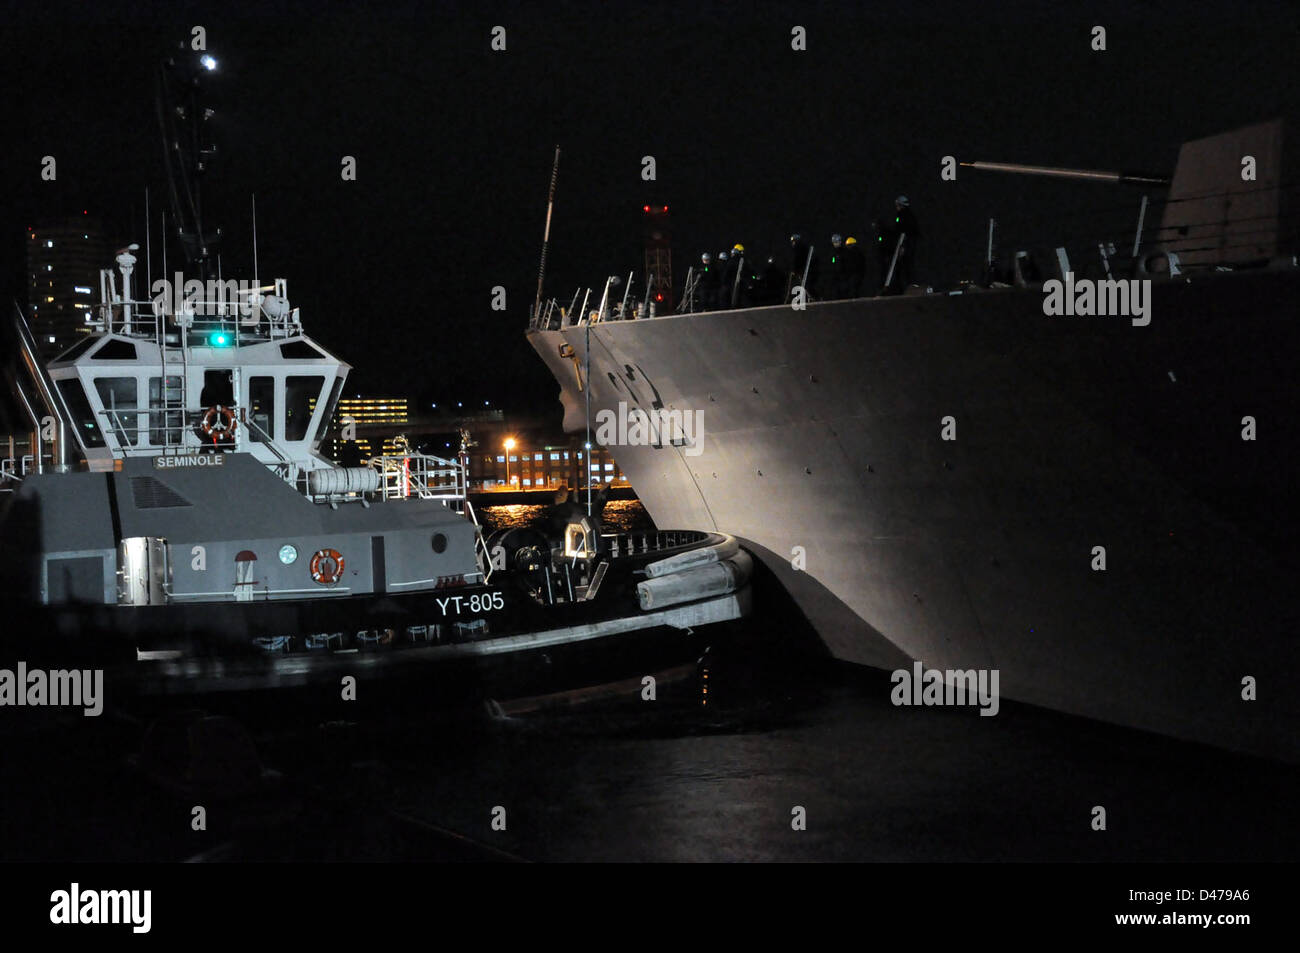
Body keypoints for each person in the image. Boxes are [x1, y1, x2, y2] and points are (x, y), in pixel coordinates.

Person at [881, 195, 920, 294]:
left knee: (907, 266)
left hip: (906, 244)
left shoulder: (904, 215)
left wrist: (903, 246)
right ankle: (902, 287)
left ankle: (909, 287)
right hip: (906, 243)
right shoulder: (905, 215)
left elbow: (904, 230)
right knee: (903, 267)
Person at [721, 243, 745, 308]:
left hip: (733, 282)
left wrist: (724, 281)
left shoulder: (731, 262)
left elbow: (727, 273)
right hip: (741, 282)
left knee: (734, 297)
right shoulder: (742, 260)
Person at [825, 233, 846, 298]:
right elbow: (831, 262)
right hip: (835, 275)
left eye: (837, 242)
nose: (836, 244)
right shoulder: (832, 252)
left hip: (843, 275)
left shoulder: (844, 251)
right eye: (835, 242)